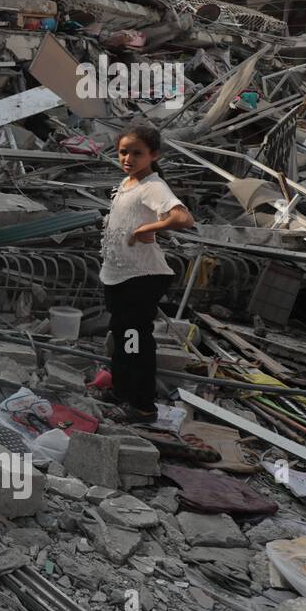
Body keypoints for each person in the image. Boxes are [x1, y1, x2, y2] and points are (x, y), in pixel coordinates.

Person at [99, 121, 194, 421]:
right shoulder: (129, 184)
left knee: (135, 339)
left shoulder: (153, 185)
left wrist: (148, 228)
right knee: (120, 334)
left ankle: (142, 405)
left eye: (136, 153)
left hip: (142, 278)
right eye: (123, 152)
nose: (128, 159)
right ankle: (121, 390)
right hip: (119, 276)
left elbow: (182, 218)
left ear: (154, 155)